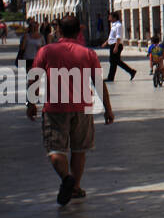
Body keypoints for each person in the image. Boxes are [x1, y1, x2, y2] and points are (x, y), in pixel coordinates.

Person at [26, 14, 114, 206]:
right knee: (79, 149)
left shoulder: (46, 51)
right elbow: (99, 83)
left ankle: (67, 178)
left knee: (55, 148)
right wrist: (108, 109)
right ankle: (75, 187)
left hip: (56, 107)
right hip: (82, 106)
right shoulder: (88, 53)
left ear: (58, 30)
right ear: (78, 31)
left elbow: (33, 78)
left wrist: (31, 103)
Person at [103, 11, 136, 83]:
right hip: (113, 44)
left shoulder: (118, 25)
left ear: (114, 17)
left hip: (116, 45)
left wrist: (116, 46)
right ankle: (130, 72)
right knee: (114, 61)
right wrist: (106, 42)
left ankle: (130, 71)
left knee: (114, 61)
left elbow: (118, 36)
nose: (109, 18)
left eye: (110, 17)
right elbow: (111, 36)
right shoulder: (114, 25)